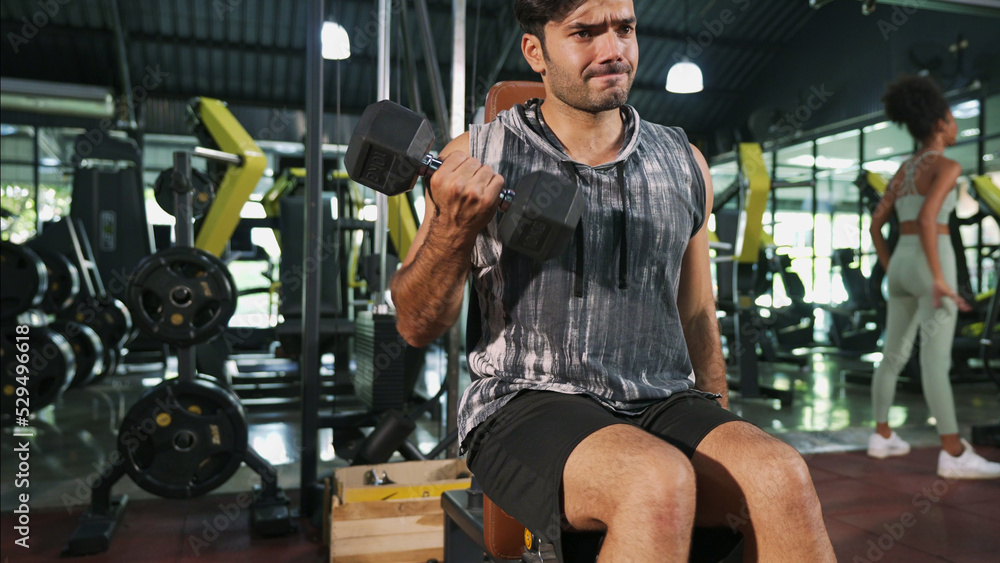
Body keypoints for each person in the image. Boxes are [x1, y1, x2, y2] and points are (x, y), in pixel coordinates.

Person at [391, 0, 837, 560]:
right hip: (525, 399)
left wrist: (718, 426)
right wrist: (454, 226)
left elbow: (697, 313)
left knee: (781, 476)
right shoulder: (476, 156)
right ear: (536, 52)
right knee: (654, 481)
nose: (613, 51)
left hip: (663, 398)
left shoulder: (684, 162)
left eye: (624, 29)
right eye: (584, 33)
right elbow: (415, 325)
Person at [868, 74, 1000, 479]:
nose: (956, 126)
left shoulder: (903, 170)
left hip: (901, 265)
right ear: (940, 122)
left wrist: (892, 269)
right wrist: (939, 280)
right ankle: (954, 453)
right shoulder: (948, 165)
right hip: (931, 262)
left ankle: (882, 435)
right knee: (935, 363)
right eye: (952, 118)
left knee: (892, 356)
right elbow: (929, 219)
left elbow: (875, 226)